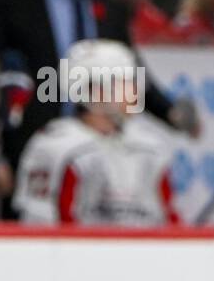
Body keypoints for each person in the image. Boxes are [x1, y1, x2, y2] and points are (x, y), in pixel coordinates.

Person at [0, 0, 193, 201]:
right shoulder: (12, 4)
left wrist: (171, 112)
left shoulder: (109, 6)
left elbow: (130, 70)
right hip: (27, 152)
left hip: (98, 156)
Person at [13, 40, 179, 227]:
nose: (135, 91)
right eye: (124, 82)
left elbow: (169, 221)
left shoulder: (149, 148)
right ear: (95, 90)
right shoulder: (57, 146)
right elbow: (41, 225)